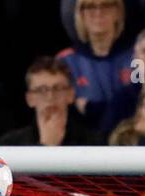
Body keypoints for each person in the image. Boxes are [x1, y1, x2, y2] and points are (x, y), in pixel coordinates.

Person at [56, 0, 134, 137]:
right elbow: (66, 111)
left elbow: (137, 105)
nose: (98, 12)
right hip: (81, 142)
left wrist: (90, 108)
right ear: (81, 14)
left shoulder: (138, 58)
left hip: (127, 140)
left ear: (117, 12)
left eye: (106, 5)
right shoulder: (64, 61)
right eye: (90, 6)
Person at [0, 56, 102, 147]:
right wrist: (46, 145)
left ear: (71, 95)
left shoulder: (93, 143)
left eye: (58, 88)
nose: (50, 96)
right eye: (41, 90)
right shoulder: (9, 144)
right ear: (30, 99)